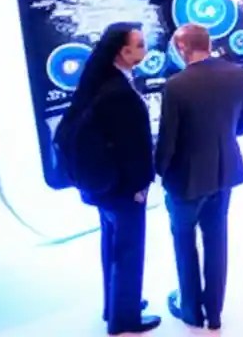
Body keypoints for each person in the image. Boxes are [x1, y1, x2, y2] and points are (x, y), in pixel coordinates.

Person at [56, 23, 159, 334]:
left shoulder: (100, 83)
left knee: (112, 246)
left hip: (104, 186)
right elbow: (132, 148)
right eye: (139, 45)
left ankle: (115, 305)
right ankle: (124, 319)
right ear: (122, 52)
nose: (145, 49)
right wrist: (140, 186)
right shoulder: (118, 93)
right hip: (123, 189)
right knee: (128, 251)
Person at [156, 25, 243, 331]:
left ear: (182, 48)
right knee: (216, 241)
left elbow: (168, 142)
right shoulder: (237, 74)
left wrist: (157, 171)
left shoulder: (176, 86)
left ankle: (190, 310)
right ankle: (214, 313)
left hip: (185, 180)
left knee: (184, 243)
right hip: (224, 172)